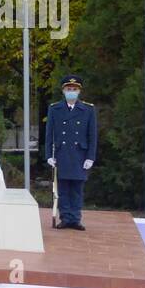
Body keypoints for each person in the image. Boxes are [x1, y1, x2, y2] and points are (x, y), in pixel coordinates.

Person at [45, 74, 98, 230]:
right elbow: (49, 134)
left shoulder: (88, 109)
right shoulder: (55, 108)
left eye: (74, 89)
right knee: (63, 189)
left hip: (80, 155)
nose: (71, 91)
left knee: (76, 189)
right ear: (63, 90)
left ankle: (75, 219)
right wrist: (48, 155)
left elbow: (92, 135)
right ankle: (66, 218)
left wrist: (91, 157)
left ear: (79, 91)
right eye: (69, 89)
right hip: (62, 154)